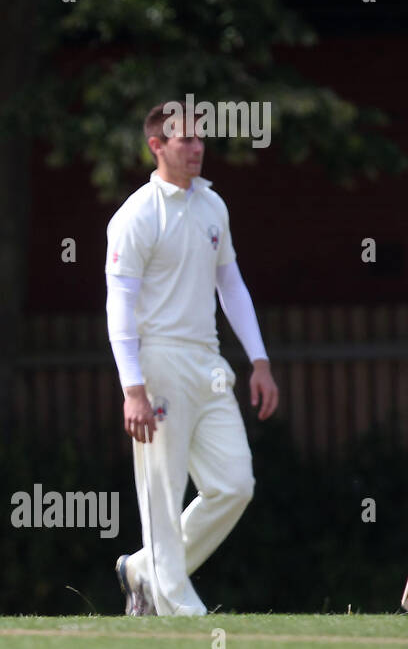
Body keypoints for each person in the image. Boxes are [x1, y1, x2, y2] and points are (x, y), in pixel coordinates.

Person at [104, 102, 279, 616]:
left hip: (209, 364)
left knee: (234, 485)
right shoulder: (137, 214)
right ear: (157, 146)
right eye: (184, 139)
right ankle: (176, 608)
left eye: (201, 138)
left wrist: (260, 361)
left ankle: (142, 569)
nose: (197, 147)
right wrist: (132, 387)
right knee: (162, 490)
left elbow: (231, 285)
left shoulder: (212, 206)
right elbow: (120, 304)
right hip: (158, 364)